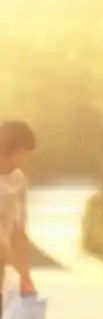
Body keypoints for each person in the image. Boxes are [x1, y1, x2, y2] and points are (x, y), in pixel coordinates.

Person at [0, 121, 38, 305]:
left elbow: (19, 230)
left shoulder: (18, 180)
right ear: (16, 151)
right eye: (26, 154)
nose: (27, 160)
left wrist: (25, 276)